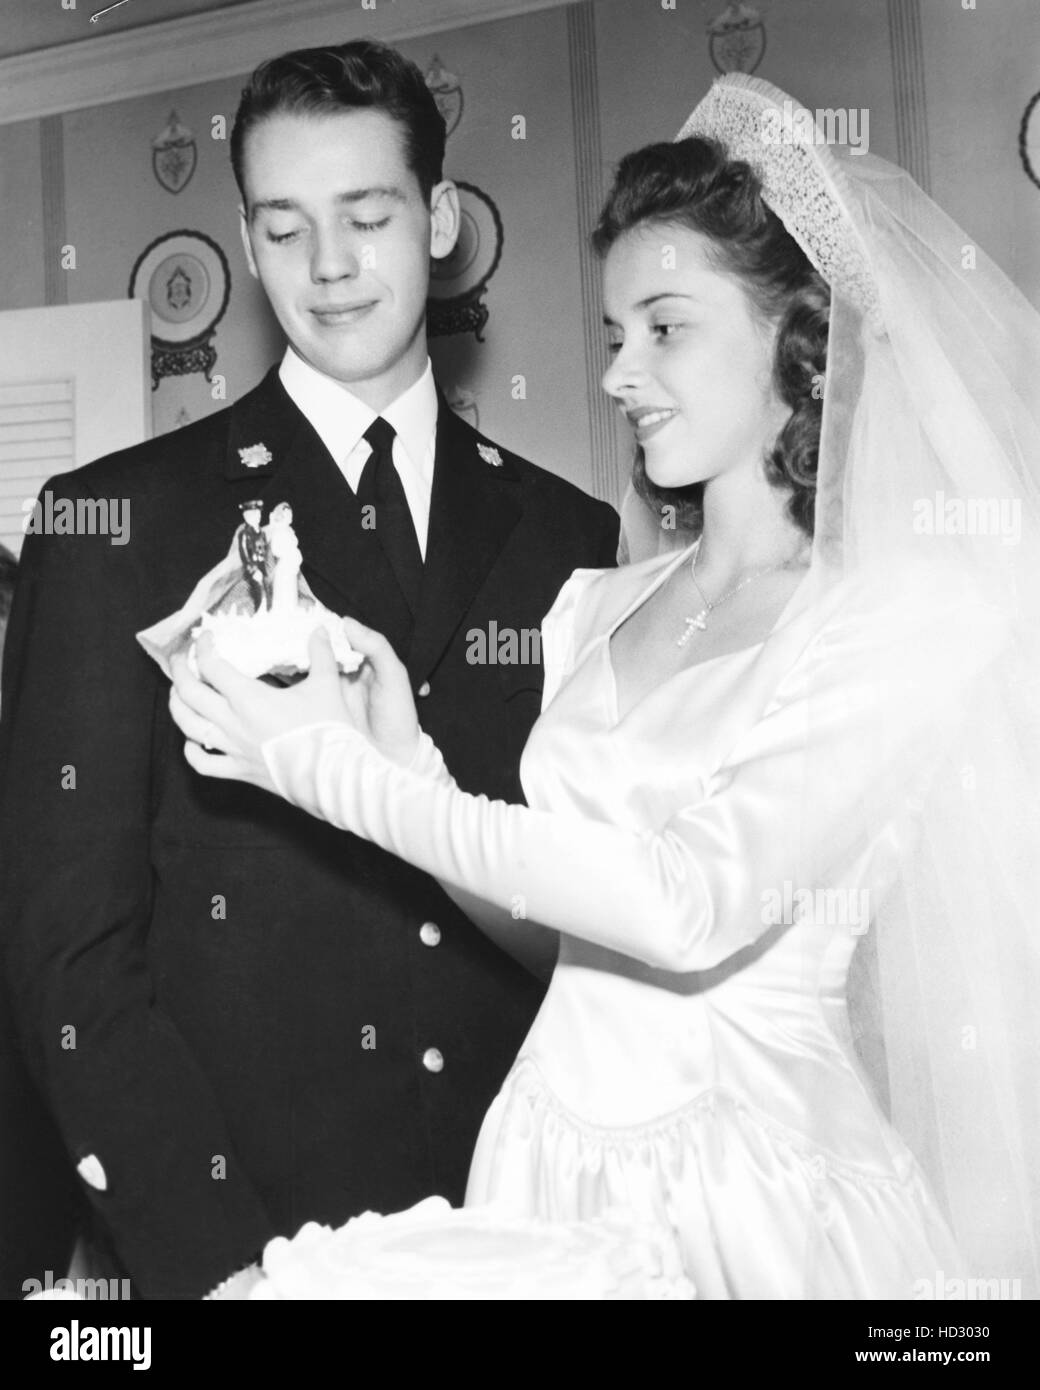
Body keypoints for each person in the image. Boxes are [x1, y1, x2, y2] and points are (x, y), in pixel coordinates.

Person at [170, 75, 1040, 1298]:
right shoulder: (596, 600)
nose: (622, 373)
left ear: (799, 331)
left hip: (755, 1199)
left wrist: (335, 773)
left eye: (665, 327)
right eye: (612, 335)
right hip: (539, 1177)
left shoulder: (908, 617)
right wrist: (409, 754)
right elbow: (567, 929)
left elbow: (686, 907)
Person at [0, 39, 618, 1300]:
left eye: (366, 216)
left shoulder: (570, 537)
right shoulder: (110, 523)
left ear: (439, 219)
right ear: (244, 235)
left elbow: (579, 908)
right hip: (255, 1246)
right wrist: (222, 1269)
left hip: (526, 1228)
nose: (328, 268)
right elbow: (69, 955)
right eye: (283, 229)